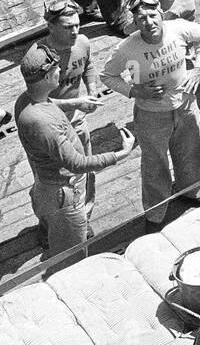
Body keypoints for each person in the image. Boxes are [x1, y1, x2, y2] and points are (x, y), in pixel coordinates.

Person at [16, 44, 135, 257]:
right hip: (64, 195)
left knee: (58, 235)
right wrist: (120, 154)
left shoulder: (26, 101)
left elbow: (48, 102)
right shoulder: (43, 123)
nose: (61, 72)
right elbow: (76, 163)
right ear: (46, 78)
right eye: (56, 70)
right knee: (73, 257)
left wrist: (76, 102)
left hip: (46, 186)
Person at [103, 0, 200, 227]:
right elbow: (108, 76)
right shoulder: (127, 48)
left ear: (161, 14)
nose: (149, 23)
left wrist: (199, 69)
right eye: (141, 19)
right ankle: (155, 214)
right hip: (152, 115)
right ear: (135, 22)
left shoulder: (178, 29)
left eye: (153, 16)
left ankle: (192, 193)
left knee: (190, 153)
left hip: (185, 107)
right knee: (155, 165)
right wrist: (134, 91)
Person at [44, 0, 103, 226]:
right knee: (54, 180)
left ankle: (84, 217)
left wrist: (93, 91)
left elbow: (88, 64)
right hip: (51, 128)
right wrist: (77, 102)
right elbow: (40, 103)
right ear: (50, 27)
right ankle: (50, 225)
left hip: (77, 122)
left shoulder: (83, 42)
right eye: (68, 27)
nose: (75, 31)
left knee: (87, 169)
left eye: (77, 25)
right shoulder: (40, 57)